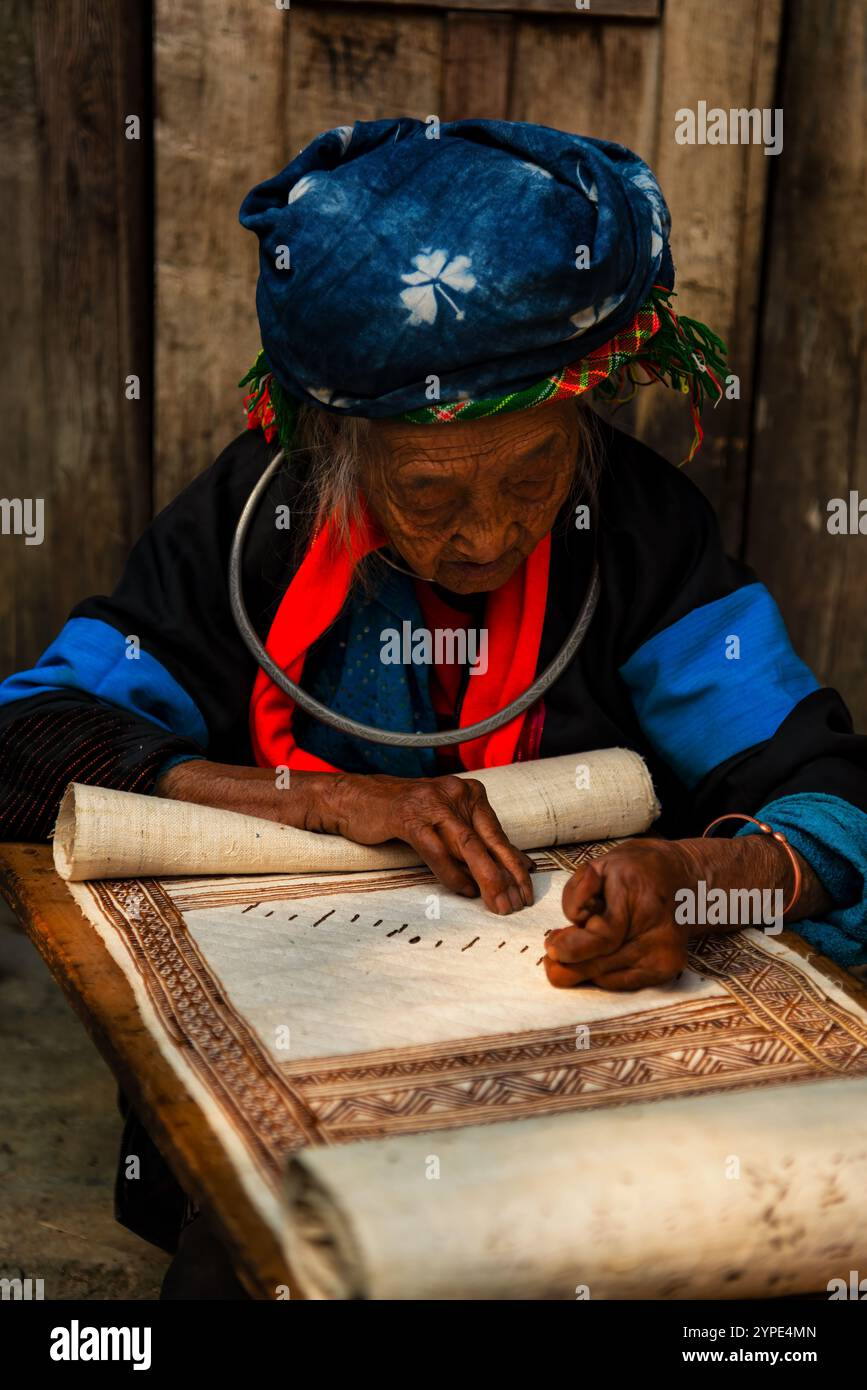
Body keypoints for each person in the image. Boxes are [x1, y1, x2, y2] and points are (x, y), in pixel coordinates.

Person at [1, 117, 865, 1282]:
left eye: (534, 475)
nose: (494, 532)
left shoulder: (642, 531)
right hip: (302, 1046)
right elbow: (29, 735)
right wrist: (320, 799)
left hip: (576, 1042)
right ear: (340, 453)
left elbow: (820, 783)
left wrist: (704, 884)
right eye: (430, 492)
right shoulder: (256, 524)